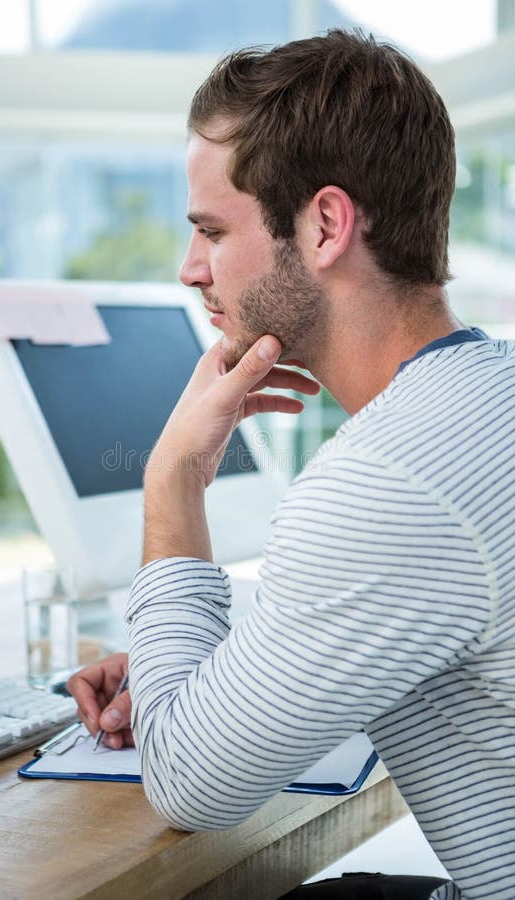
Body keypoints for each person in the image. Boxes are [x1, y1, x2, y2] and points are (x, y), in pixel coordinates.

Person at [68, 29, 515, 899]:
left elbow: (189, 784)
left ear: (324, 225)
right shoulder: (486, 394)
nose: (190, 268)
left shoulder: (390, 477)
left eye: (210, 230)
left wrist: (173, 481)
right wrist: (229, 663)